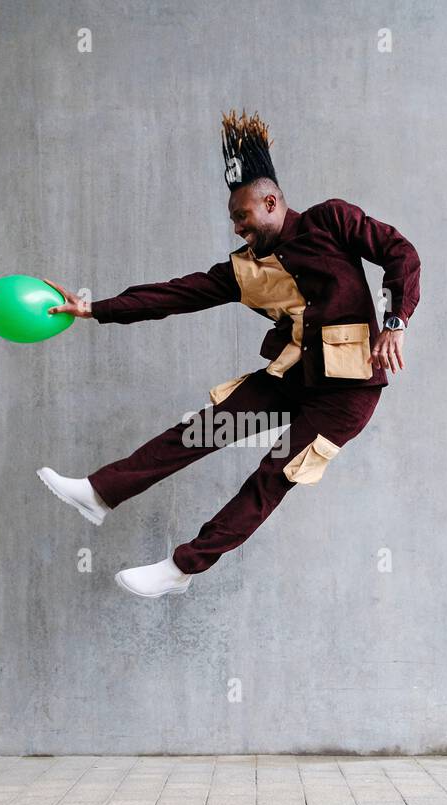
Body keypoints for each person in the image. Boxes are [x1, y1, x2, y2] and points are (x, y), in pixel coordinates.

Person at [39, 109, 421, 597]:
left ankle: (180, 570)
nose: (238, 228)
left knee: (270, 477)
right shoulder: (244, 268)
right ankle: (99, 492)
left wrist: (395, 322)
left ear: (269, 201)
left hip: (346, 395)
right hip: (290, 377)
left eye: (242, 216)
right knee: (201, 428)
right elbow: (175, 294)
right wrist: (93, 309)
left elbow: (400, 254)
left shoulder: (332, 220)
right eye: (234, 220)